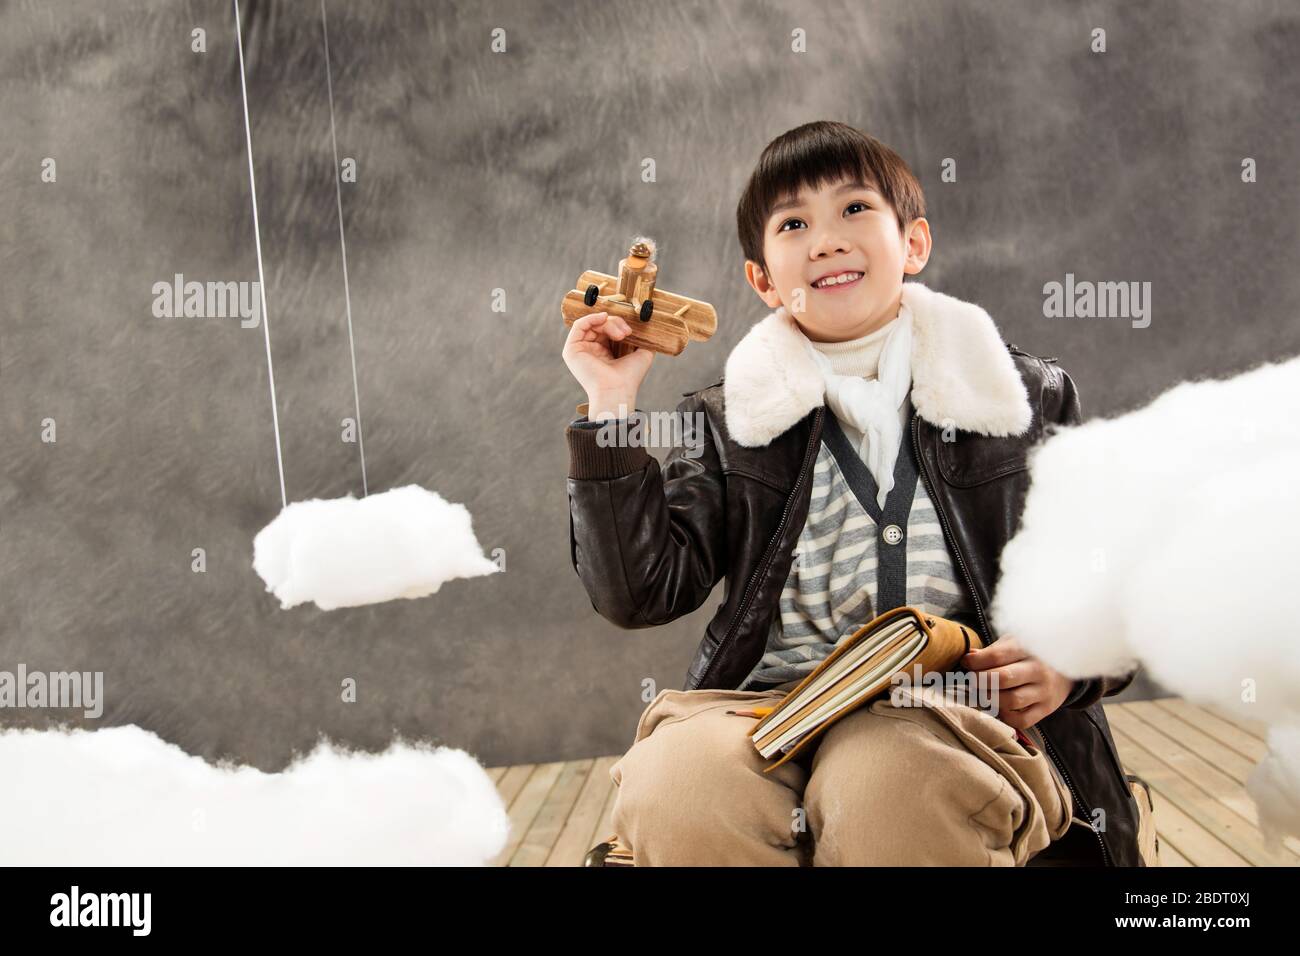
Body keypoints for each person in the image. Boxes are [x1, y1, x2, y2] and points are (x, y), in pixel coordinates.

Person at [561, 120, 1141, 866]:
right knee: (678, 784)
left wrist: (1071, 661)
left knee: (888, 779)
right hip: (769, 706)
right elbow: (638, 593)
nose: (827, 240)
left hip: (955, 712)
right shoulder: (726, 419)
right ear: (763, 279)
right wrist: (610, 406)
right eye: (794, 223)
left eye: (855, 210)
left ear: (916, 244)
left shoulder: (1023, 397)